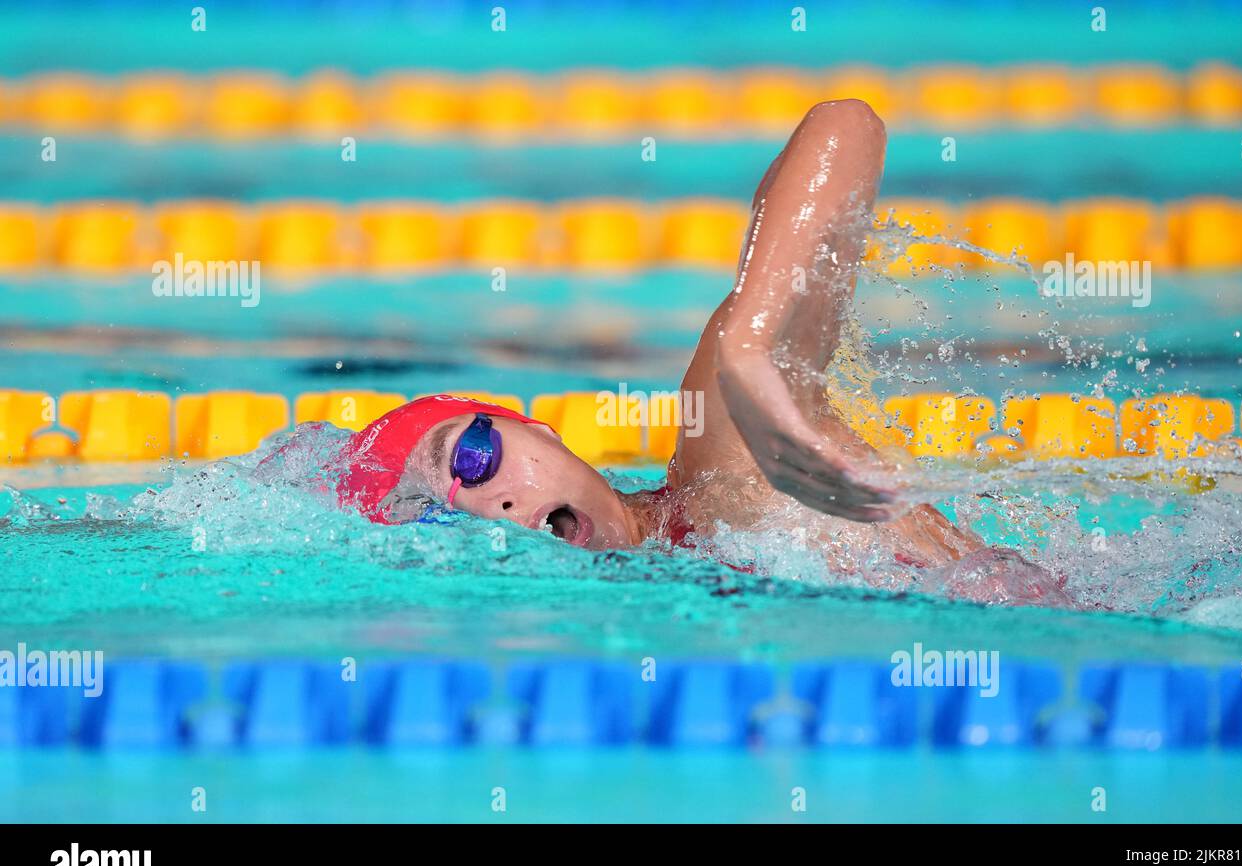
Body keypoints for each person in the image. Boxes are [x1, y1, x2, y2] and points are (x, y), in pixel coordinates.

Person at [333, 99, 1072, 607]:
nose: (486, 503)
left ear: (539, 429)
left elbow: (847, 128)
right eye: (443, 519)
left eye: (470, 457)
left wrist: (748, 351)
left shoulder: (726, 470)